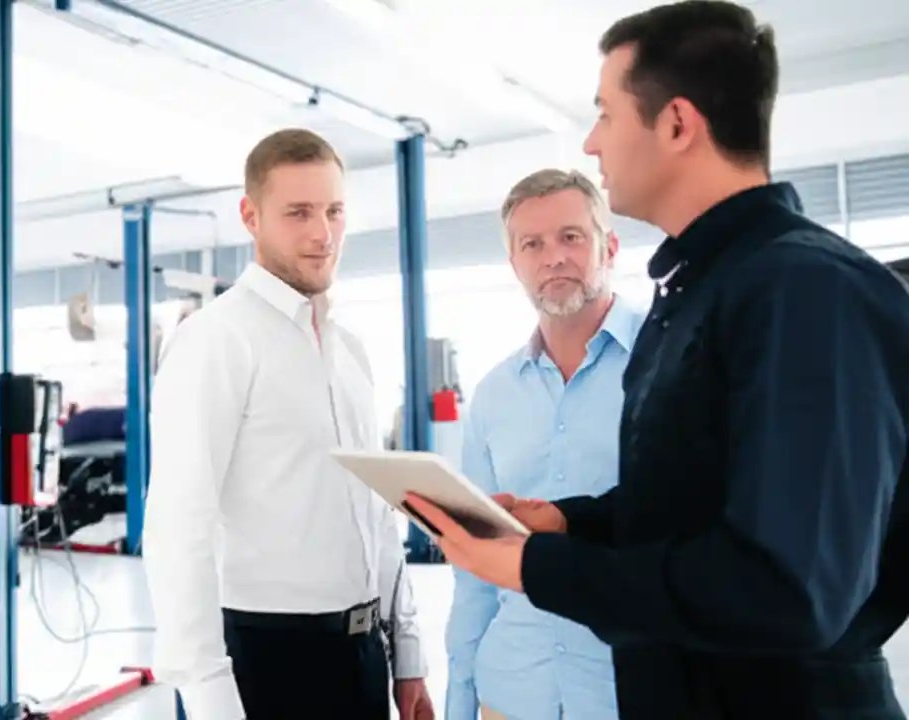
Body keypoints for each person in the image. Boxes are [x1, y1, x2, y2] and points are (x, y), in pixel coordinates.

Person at [407, 2, 909, 718]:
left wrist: (536, 566)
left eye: (606, 115)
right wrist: (571, 524)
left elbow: (787, 589)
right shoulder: (706, 289)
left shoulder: (806, 290)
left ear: (676, 124)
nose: (590, 142)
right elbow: (699, 508)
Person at [142, 128, 434, 720]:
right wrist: (210, 697)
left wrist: (406, 654)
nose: (322, 233)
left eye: (333, 211)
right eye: (298, 212)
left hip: (361, 653)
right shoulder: (217, 339)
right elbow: (178, 525)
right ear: (251, 216)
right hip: (266, 661)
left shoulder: (350, 351)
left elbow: (376, 516)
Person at [444, 169, 643, 720]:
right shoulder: (494, 396)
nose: (553, 257)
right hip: (512, 695)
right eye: (532, 244)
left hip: (627, 694)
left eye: (571, 237)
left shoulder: (668, 362)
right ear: (515, 264)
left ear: (610, 246)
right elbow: (474, 573)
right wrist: (460, 702)